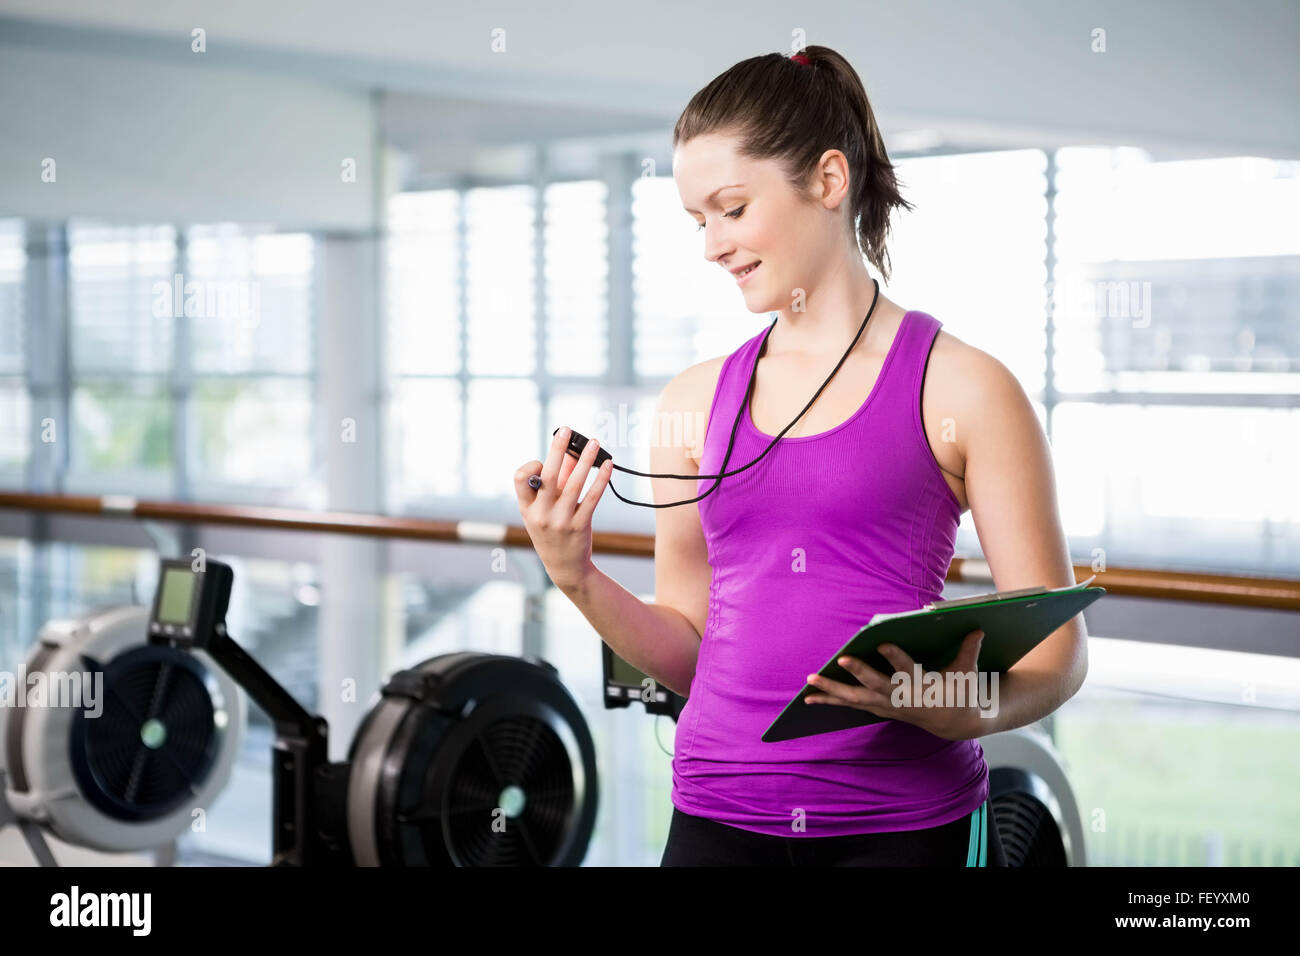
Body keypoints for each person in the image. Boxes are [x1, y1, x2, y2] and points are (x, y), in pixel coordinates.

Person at [513, 45, 1087, 866]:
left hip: (904, 827)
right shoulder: (693, 402)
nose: (712, 245)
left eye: (732, 209)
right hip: (714, 817)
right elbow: (688, 649)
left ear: (826, 181)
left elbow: (1058, 654)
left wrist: (952, 704)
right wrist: (577, 576)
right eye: (697, 220)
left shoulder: (964, 388)